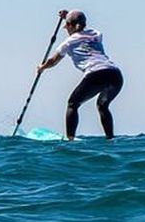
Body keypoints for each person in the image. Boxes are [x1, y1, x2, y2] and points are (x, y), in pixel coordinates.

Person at [36, 9, 125, 140]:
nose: (67, 30)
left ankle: (70, 139)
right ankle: (110, 138)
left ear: (71, 26)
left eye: (67, 27)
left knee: (72, 104)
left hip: (96, 73)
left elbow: (53, 61)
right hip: (115, 74)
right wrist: (68, 17)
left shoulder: (69, 42)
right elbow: (79, 23)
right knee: (103, 105)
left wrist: (42, 68)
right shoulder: (95, 34)